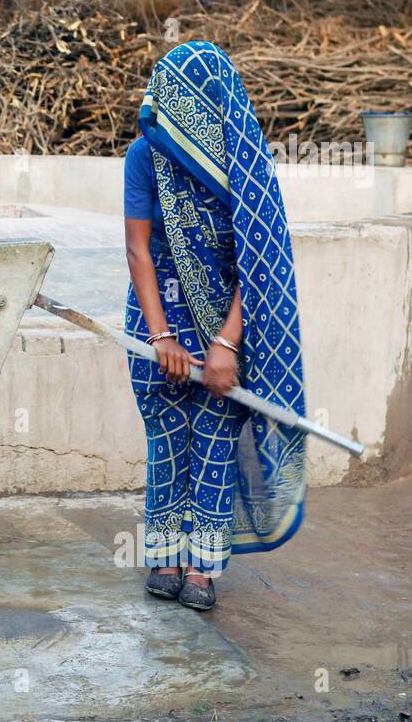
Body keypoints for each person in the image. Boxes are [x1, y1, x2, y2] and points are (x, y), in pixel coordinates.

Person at [123, 40, 307, 611]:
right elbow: (138, 249)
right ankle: (166, 557)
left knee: (214, 439)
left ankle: (202, 568)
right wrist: (160, 336)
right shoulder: (144, 154)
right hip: (158, 318)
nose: (155, 104)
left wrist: (225, 344)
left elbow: (262, 259)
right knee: (166, 435)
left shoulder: (244, 164)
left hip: (228, 321)